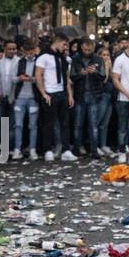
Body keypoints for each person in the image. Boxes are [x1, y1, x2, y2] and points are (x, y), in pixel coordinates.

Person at [35, 32, 75, 161]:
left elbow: (66, 77)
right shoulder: (44, 57)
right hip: (50, 93)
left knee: (65, 123)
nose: (65, 48)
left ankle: (66, 150)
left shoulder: (61, 58)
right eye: (64, 44)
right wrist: (43, 93)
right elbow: (38, 76)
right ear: (57, 42)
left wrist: (70, 95)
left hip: (62, 92)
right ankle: (47, 149)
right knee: (48, 123)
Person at [71, 38, 108, 158]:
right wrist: (81, 73)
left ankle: (94, 150)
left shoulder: (98, 59)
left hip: (93, 95)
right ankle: (76, 148)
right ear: (82, 47)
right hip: (80, 95)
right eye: (85, 49)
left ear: (93, 48)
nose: (87, 52)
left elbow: (103, 76)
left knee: (93, 125)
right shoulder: (76, 59)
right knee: (78, 124)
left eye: (90, 49)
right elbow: (72, 76)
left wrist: (95, 72)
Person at [10, 38, 40, 160]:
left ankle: (32, 149)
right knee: (18, 125)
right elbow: (13, 78)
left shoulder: (39, 62)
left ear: (34, 50)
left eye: (31, 52)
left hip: (33, 97)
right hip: (20, 97)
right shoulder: (19, 62)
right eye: (27, 52)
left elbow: (42, 77)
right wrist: (20, 78)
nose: (29, 54)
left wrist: (33, 79)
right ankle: (18, 149)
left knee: (33, 125)